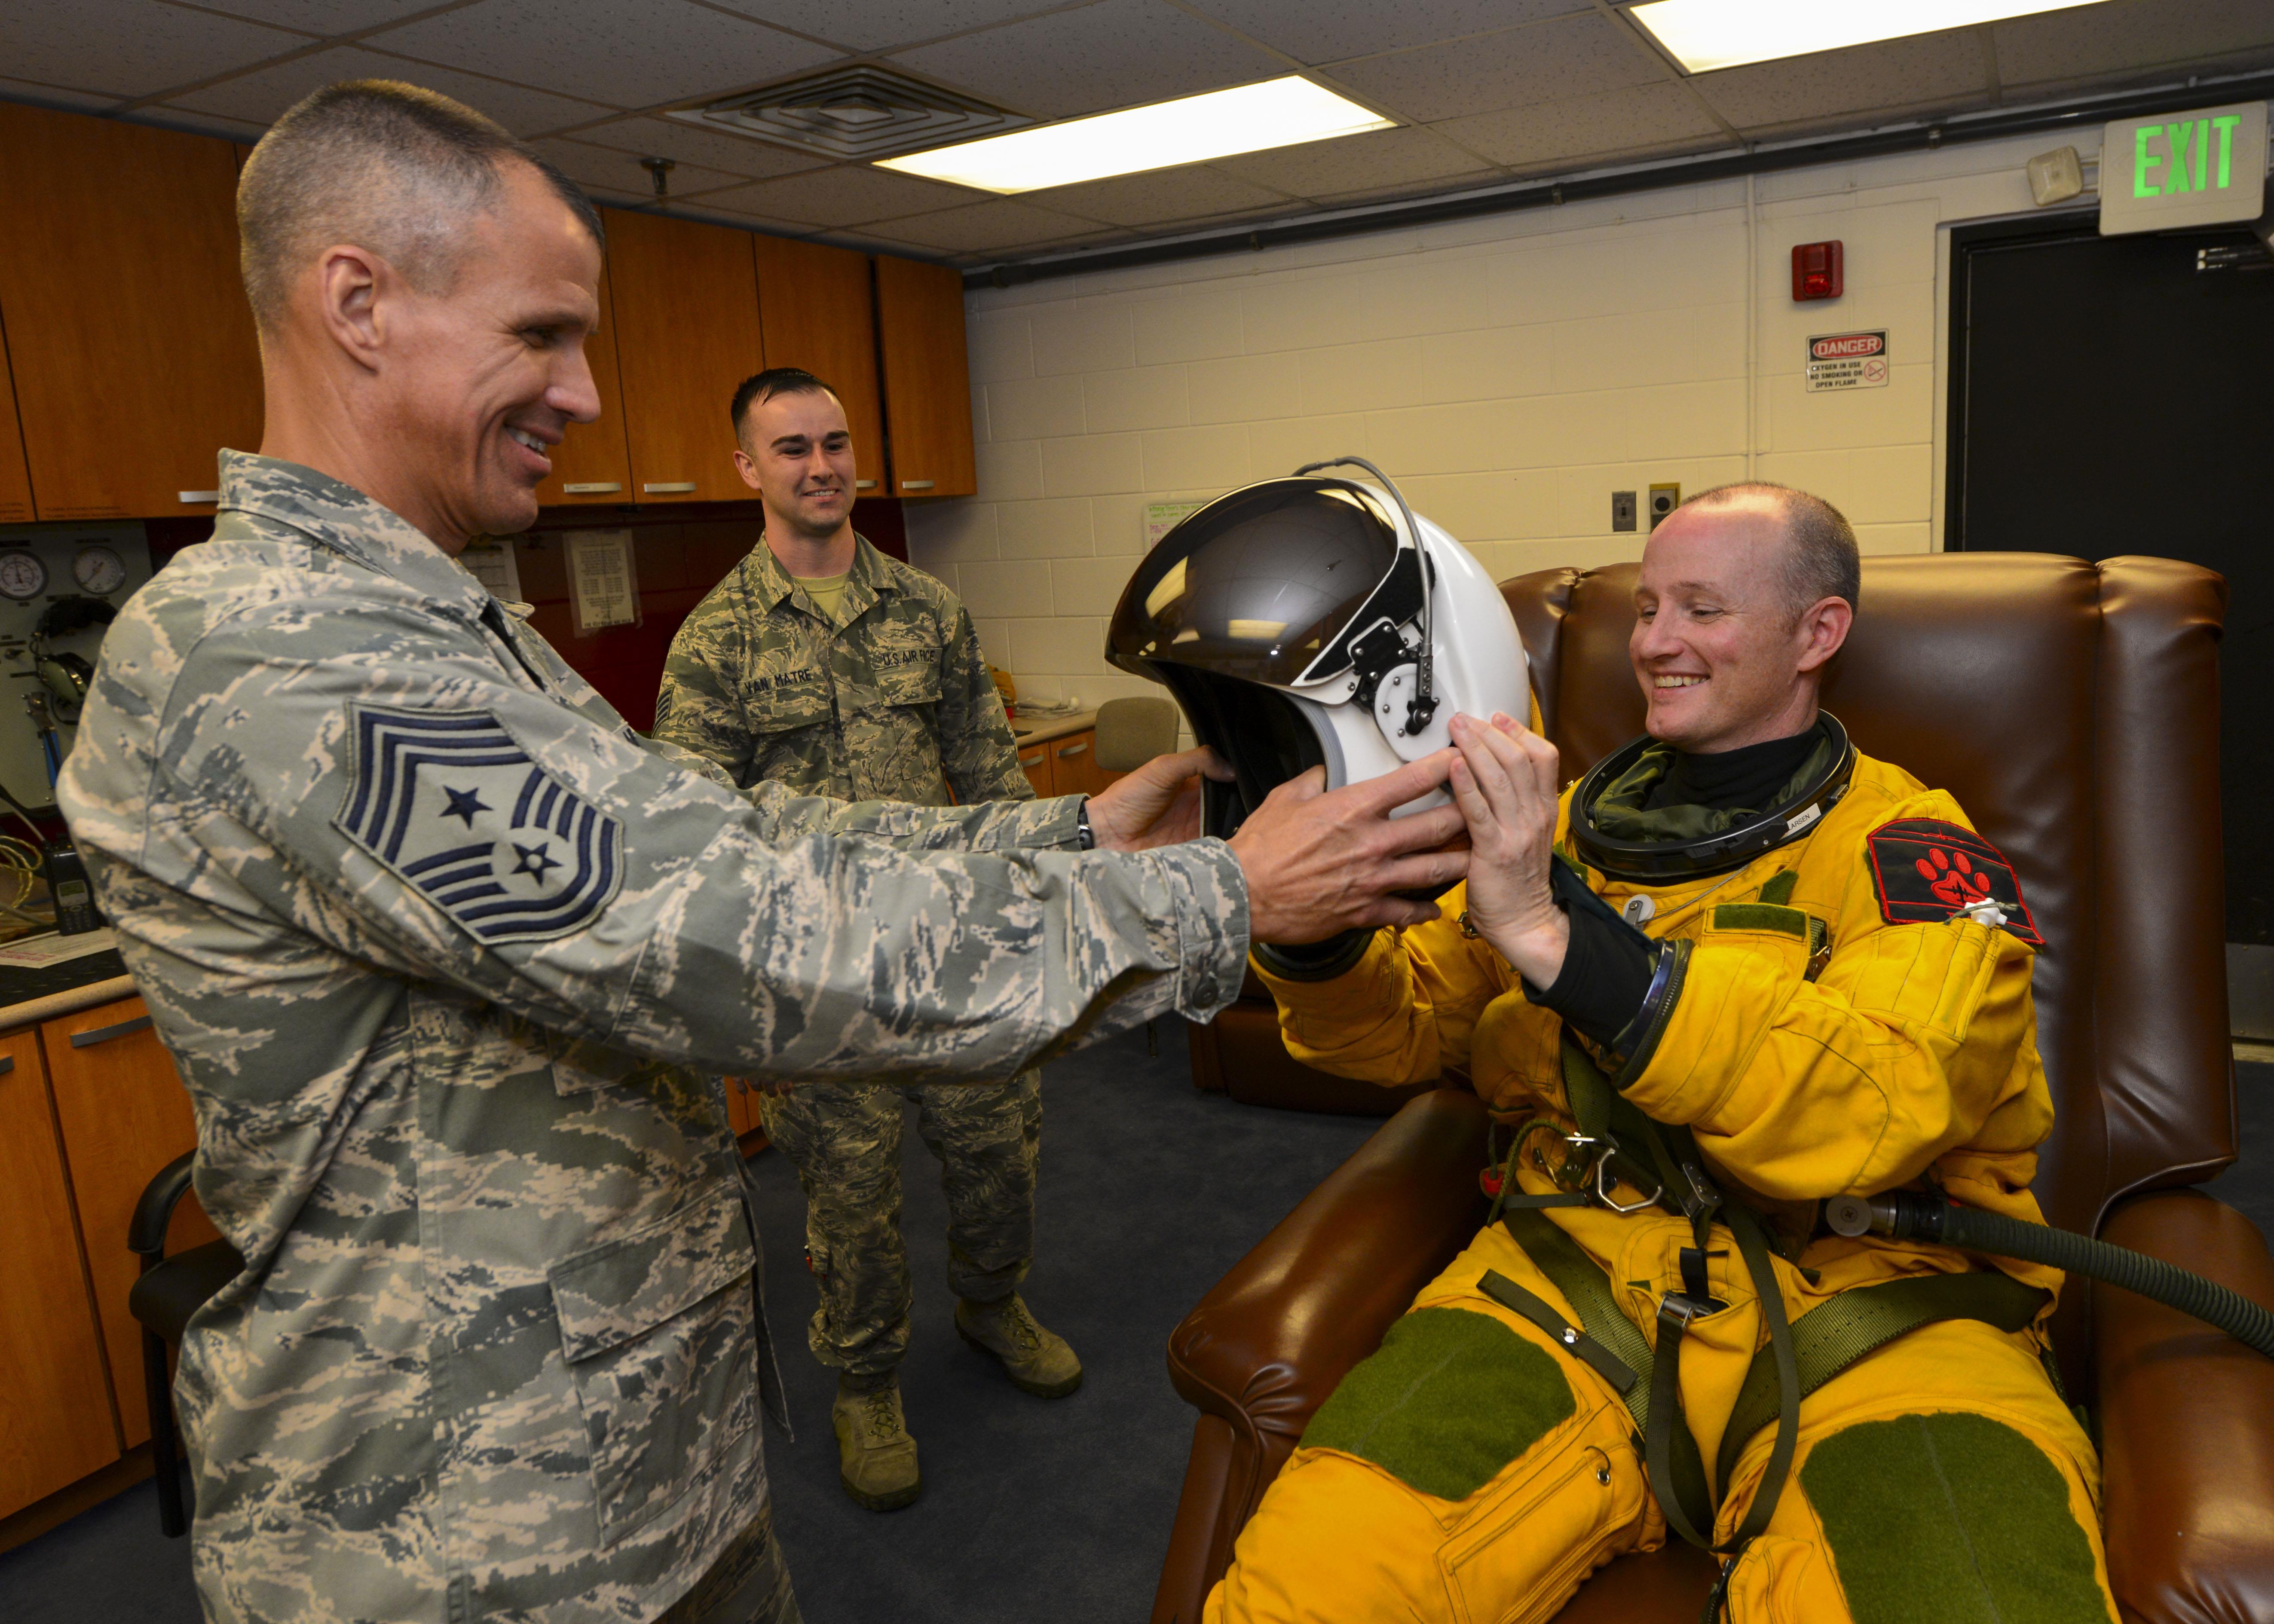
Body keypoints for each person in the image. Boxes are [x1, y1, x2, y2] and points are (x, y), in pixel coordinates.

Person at [56, 81, 1472, 1624]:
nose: (585, 392)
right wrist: (1221, 898)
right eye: (541, 334)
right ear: (358, 302)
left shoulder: (439, 629)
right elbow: (731, 933)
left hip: (635, 1487)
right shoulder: (289, 659)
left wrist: (1066, 829)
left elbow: (731, 833)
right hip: (464, 1546)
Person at [1212, 484, 2116, 1623]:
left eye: (1700, 608)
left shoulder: (1919, 854)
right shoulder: (1557, 824)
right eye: (1644, 609)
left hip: (1874, 1311)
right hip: (1570, 1285)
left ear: (1816, 633)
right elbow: (1403, 1030)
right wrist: (1317, 934)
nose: (1653, 643)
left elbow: (1886, 1096)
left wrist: (1567, 944)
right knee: (1307, 1588)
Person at [653, 367, 1075, 1514]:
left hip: (949, 956)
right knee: (850, 1195)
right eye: (791, 447)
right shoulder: (715, 642)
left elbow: (989, 774)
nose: (821, 464)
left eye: (835, 441)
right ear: (747, 468)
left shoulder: (929, 610)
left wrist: (1032, 911)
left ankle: (993, 1303)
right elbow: (695, 828)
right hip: (817, 980)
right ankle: (867, 1381)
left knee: (999, 1153)